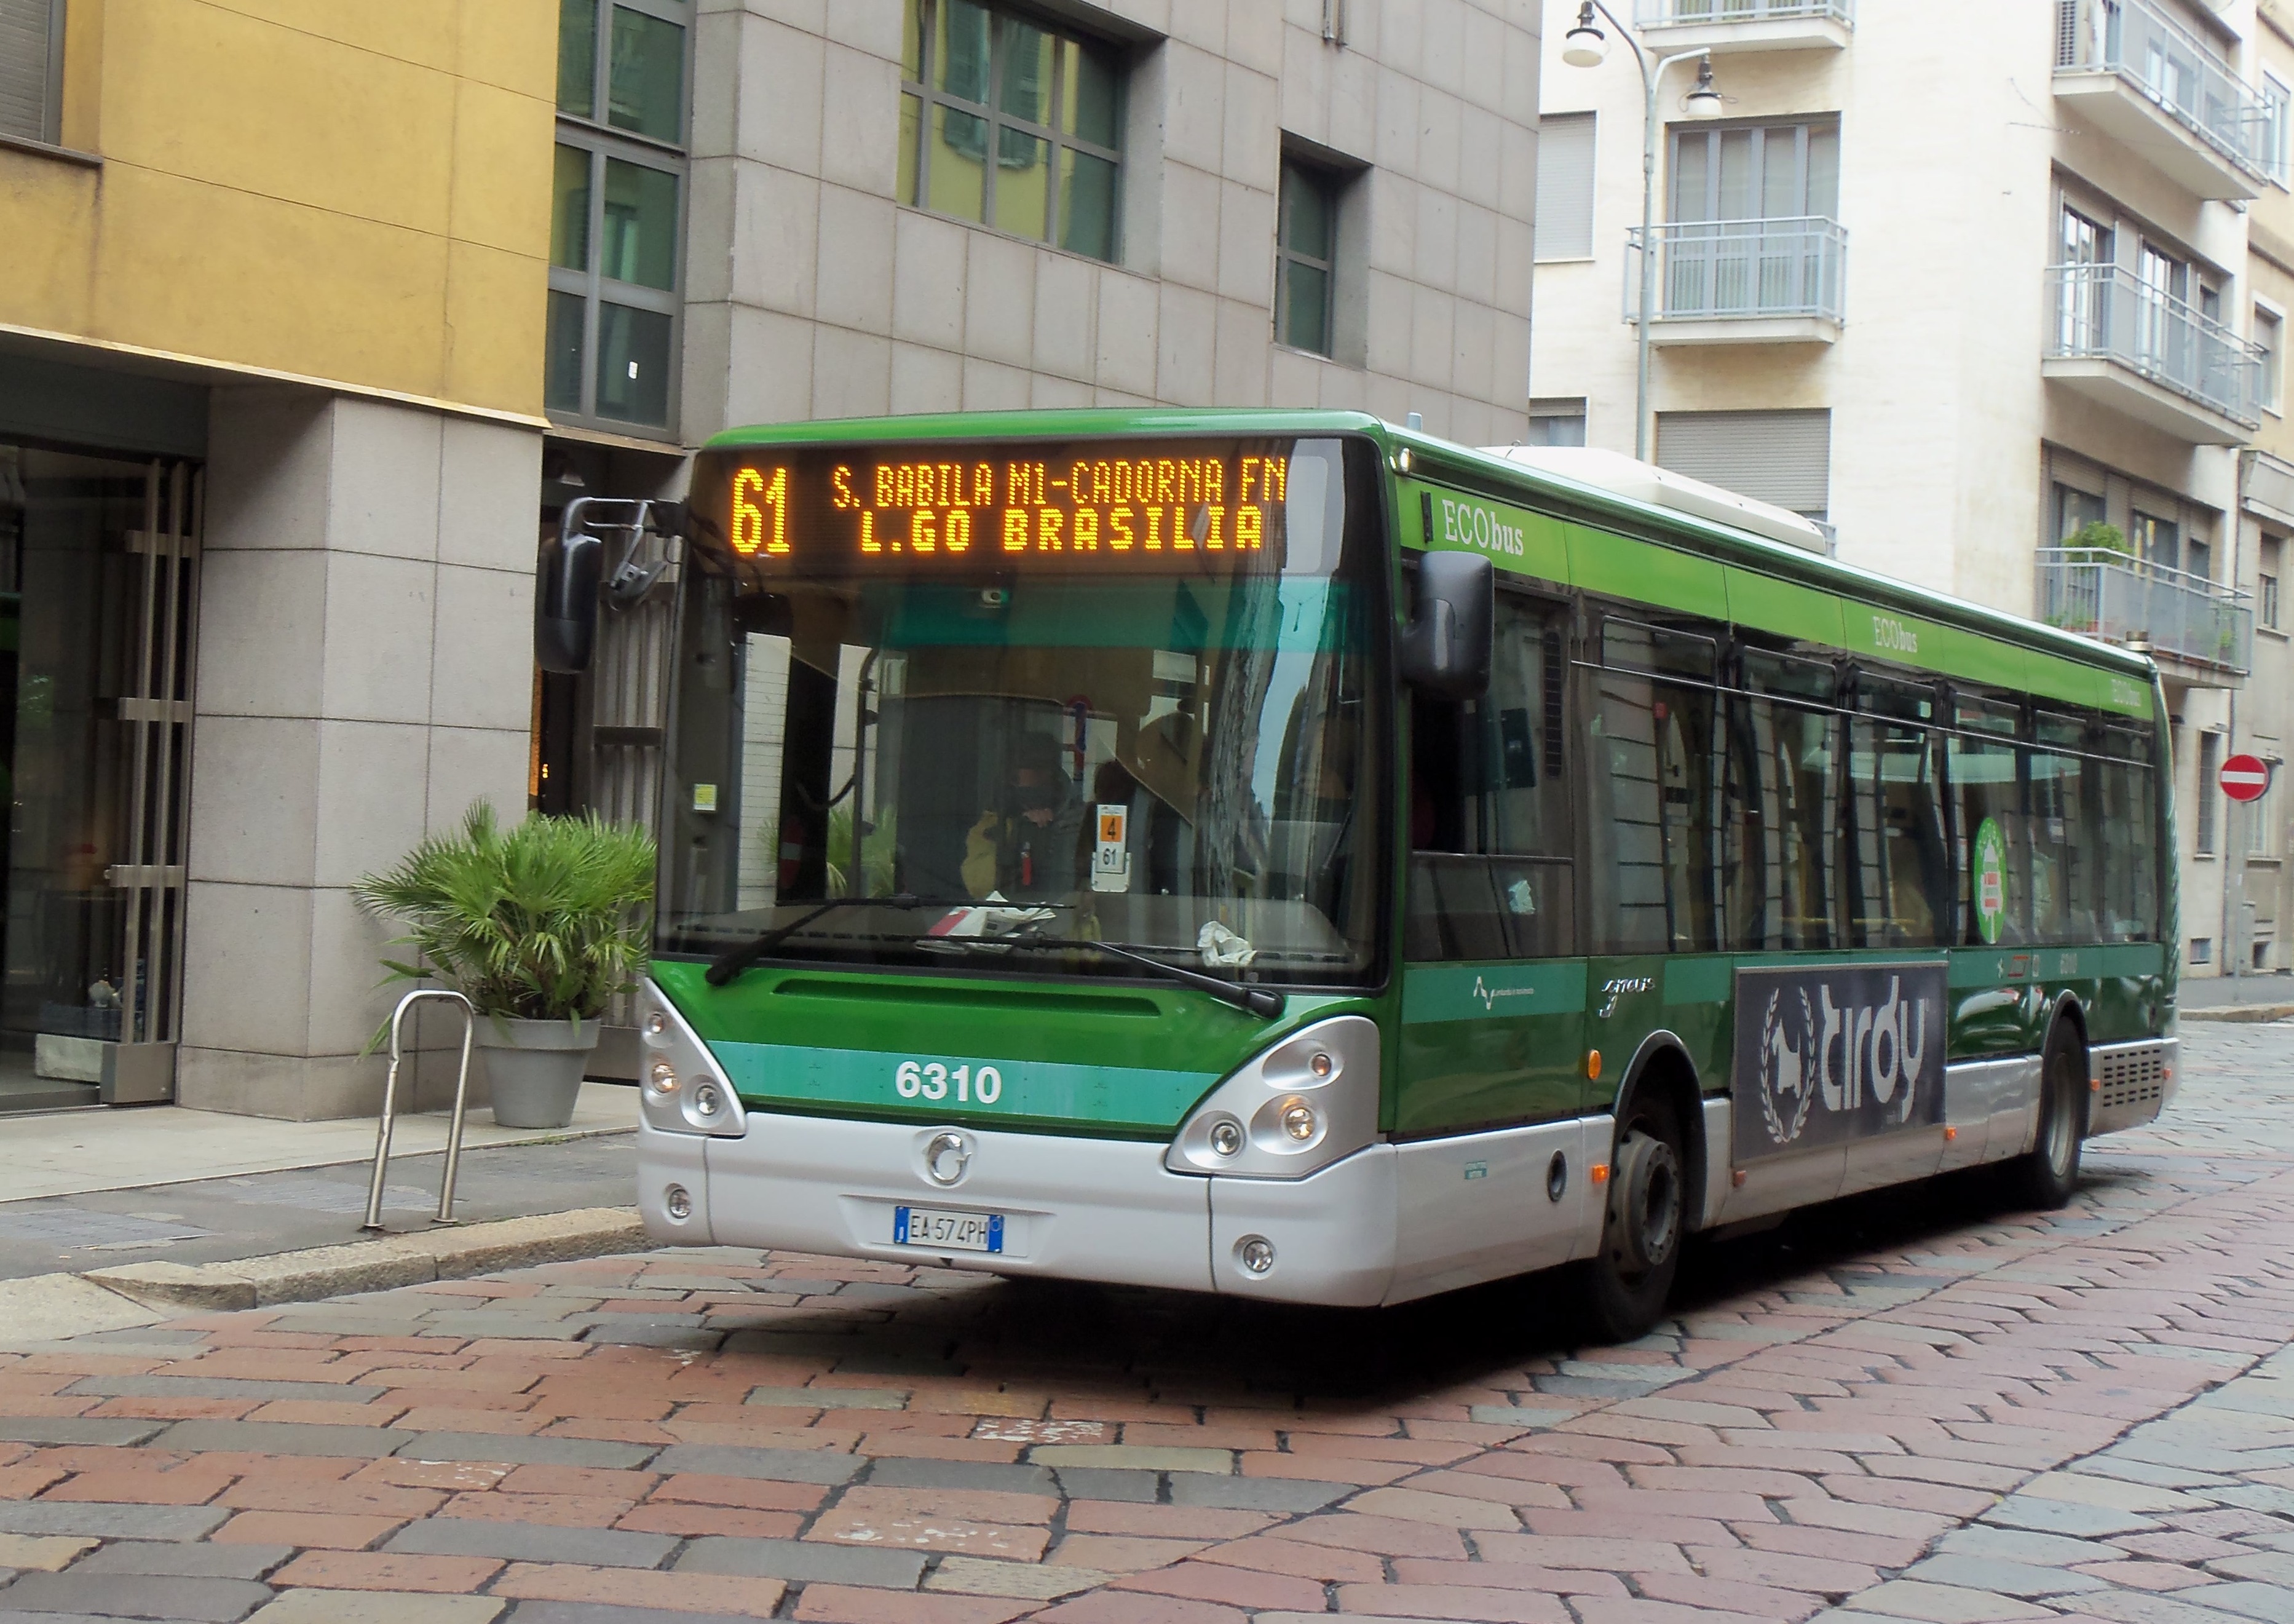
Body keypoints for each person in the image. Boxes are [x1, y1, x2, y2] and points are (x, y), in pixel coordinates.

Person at [962, 730, 1083, 901]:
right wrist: (1018, 837)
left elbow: (1089, 883)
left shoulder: (1078, 819)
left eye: (1046, 766)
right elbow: (978, 886)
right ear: (1011, 774)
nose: (1041, 774)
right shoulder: (991, 826)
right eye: (1030, 766)